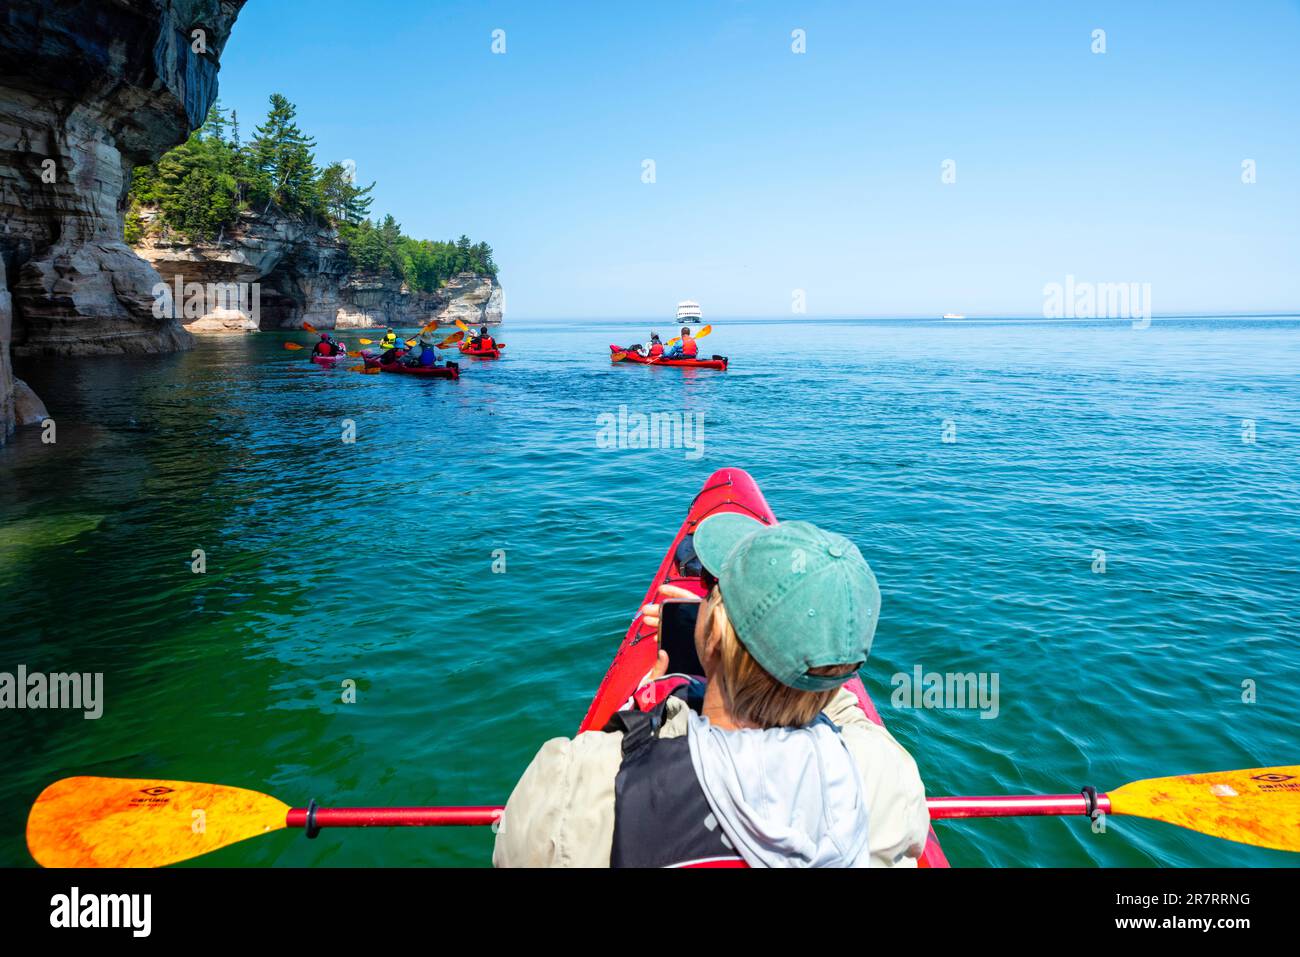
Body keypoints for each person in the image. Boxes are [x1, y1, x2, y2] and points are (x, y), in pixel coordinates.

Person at [493, 513, 932, 868]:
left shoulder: (580, 777)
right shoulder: (885, 774)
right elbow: (845, 714)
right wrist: (794, 651)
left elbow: (511, 856)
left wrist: (645, 701)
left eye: (711, 589)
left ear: (714, 634)